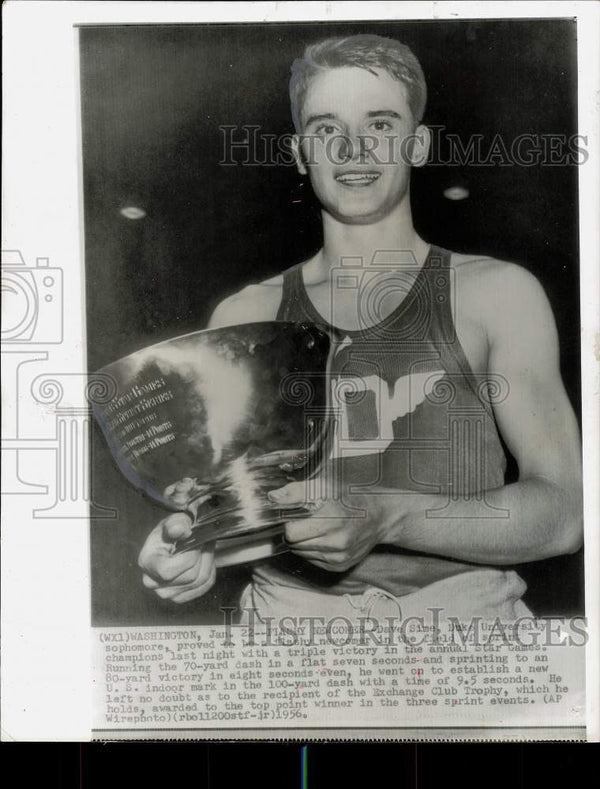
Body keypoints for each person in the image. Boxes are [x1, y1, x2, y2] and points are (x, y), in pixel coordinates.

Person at [138, 34, 582, 622]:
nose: (352, 149)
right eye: (326, 129)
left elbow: (565, 513)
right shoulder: (244, 317)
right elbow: (240, 513)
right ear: (300, 154)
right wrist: (190, 549)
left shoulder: (497, 294)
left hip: (465, 623)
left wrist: (391, 516)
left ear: (418, 144)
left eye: (379, 124)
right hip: (288, 626)